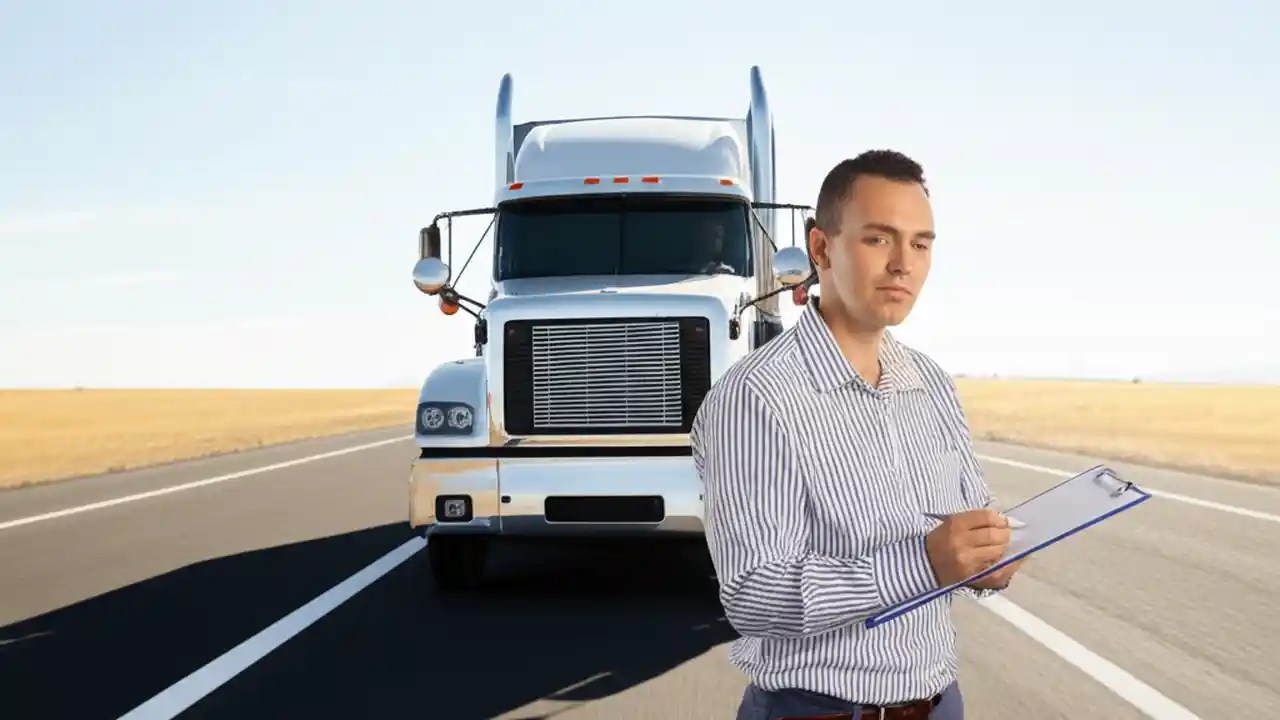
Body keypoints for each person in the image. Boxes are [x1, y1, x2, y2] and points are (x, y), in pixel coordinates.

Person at [690, 150, 1024, 720]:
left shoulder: (932, 384)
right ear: (821, 248)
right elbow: (753, 595)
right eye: (879, 239)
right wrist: (924, 562)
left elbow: (968, 519)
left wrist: (989, 557)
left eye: (921, 243)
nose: (904, 264)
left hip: (940, 703)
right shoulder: (757, 396)